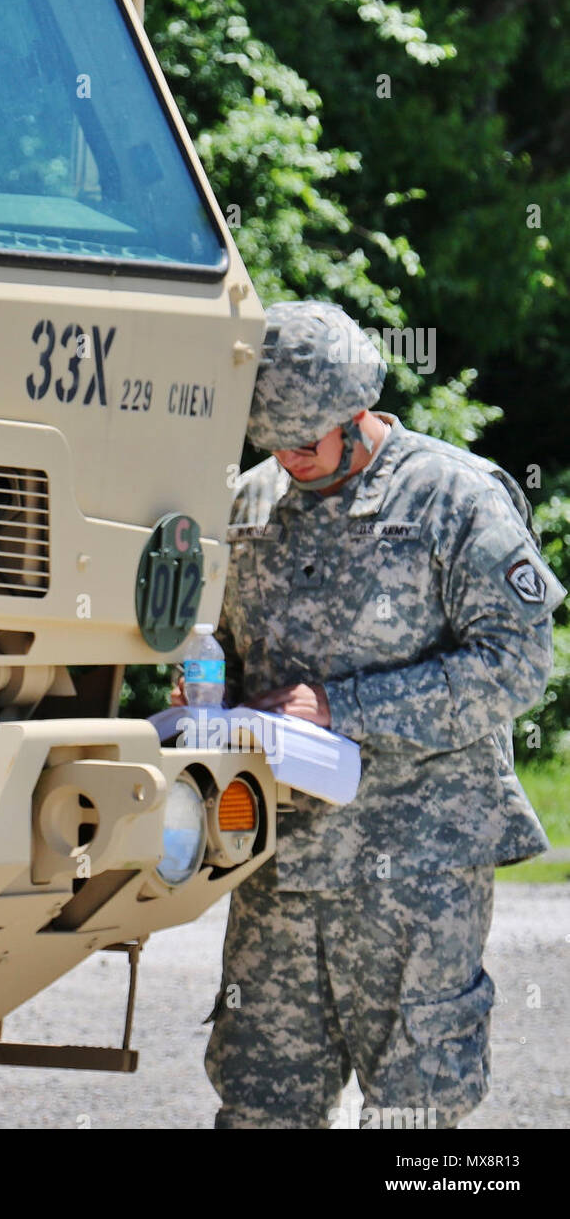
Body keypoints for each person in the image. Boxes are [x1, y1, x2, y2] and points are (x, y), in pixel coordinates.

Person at [199, 299, 564, 1129]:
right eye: (273, 442)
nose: (289, 459)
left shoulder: (455, 498)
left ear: (354, 413)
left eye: (306, 441)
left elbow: (516, 663)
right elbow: (213, 645)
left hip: (418, 867)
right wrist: (211, 700)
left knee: (413, 1108)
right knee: (259, 1099)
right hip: (276, 860)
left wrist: (342, 708)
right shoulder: (248, 504)